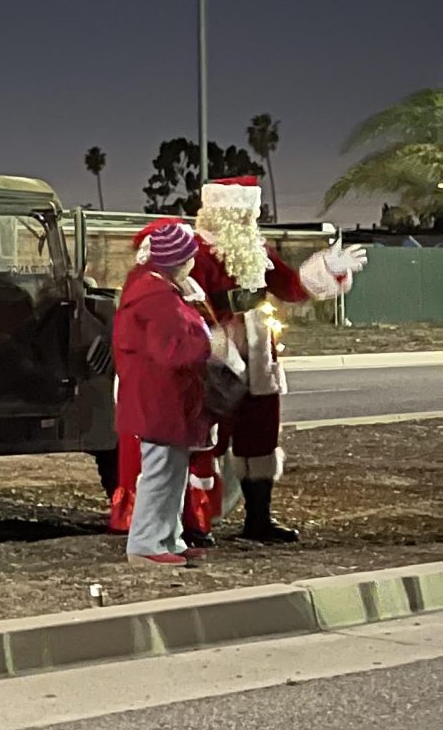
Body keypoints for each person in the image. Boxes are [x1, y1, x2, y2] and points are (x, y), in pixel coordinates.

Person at [190, 175, 368, 543]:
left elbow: (291, 287)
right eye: (239, 214)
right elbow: (191, 304)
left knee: (260, 439)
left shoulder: (258, 251)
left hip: (259, 359)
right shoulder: (197, 253)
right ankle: (195, 522)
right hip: (215, 362)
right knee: (206, 442)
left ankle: (259, 521)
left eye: (249, 216)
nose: (246, 223)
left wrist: (327, 268)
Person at [112, 218, 220, 565]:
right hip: (158, 400)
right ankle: (145, 544)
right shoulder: (156, 297)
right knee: (160, 473)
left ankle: (168, 538)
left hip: (166, 400)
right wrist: (212, 345)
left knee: (172, 472)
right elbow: (172, 349)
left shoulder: (158, 290)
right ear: (179, 260)